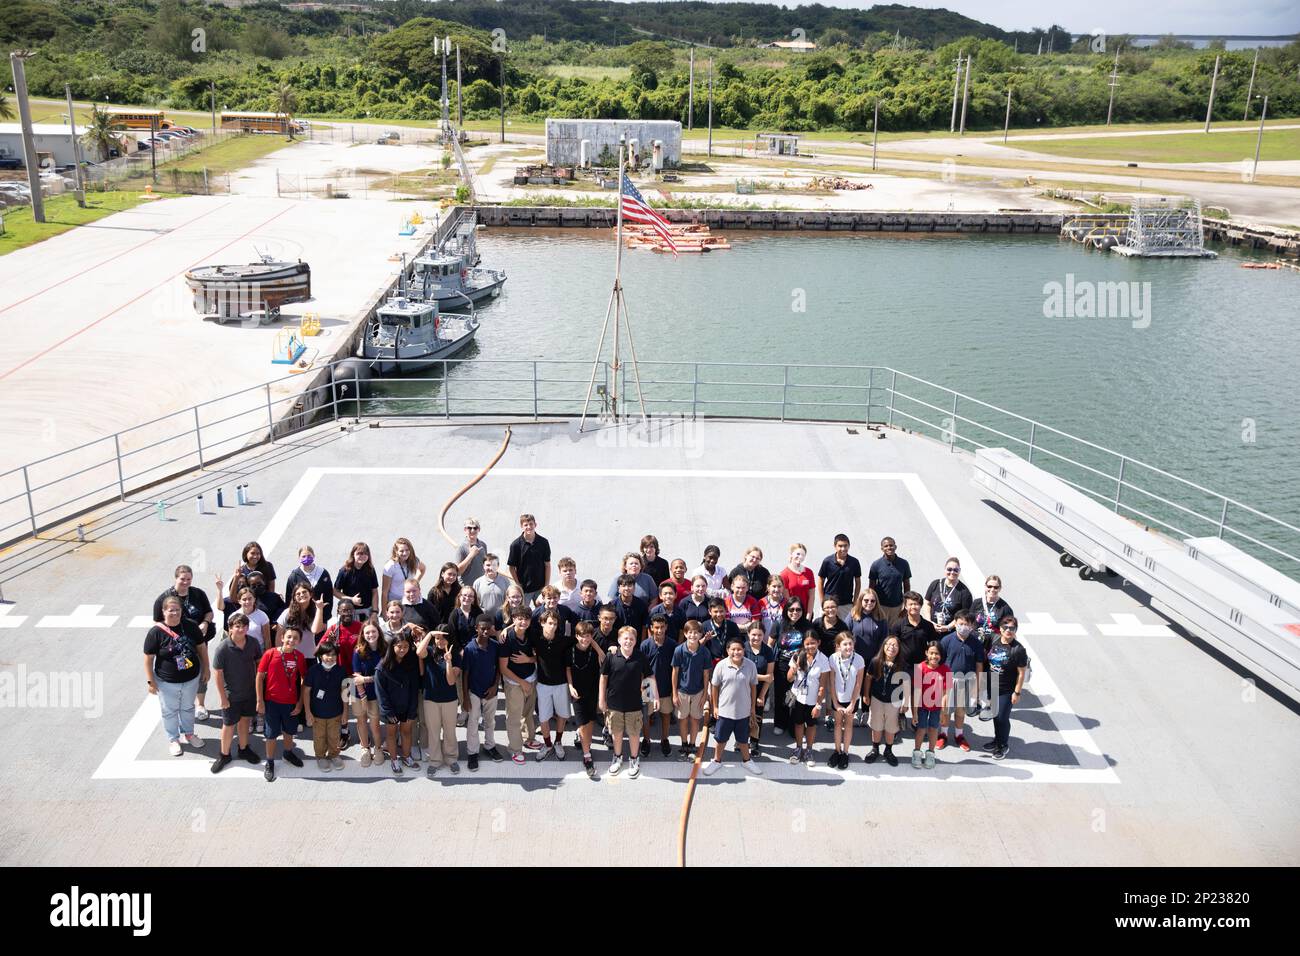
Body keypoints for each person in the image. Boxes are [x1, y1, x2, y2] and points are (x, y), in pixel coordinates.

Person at [144, 595, 209, 757]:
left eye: (178, 610)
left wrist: (206, 669)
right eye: (171, 610)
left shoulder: (190, 626)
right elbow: (148, 658)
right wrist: (151, 681)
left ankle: (189, 733)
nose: (175, 613)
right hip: (167, 681)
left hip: (191, 678)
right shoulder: (156, 632)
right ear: (164, 611)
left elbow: (201, 648)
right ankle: (173, 739)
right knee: (169, 710)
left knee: (188, 707)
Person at [152, 565, 214, 720]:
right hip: (177, 647)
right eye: (182, 579)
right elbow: (157, 623)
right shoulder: (164, 598)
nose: (186, 582)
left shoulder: (198, 594)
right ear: (175, 578)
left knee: (200, 673)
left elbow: (209, 612)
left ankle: (200, 705)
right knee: (181, 676)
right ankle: (181, 707)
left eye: (188, 579)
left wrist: (205, 623)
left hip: (198, 643)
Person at [210, 612, 262, 773]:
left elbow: (258, 663)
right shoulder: (223, 648)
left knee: (245, 721)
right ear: (230, 628)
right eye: (237, 626)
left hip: (249, 692)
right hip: (231, 696)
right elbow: (217, 673)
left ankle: (243, 748)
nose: (241, 629)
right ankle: (224, 754)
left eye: (244, 626)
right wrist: (223, 698)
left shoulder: (252, 643)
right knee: (228, 725)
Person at [702, 637, 762, 776]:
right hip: (725, 711)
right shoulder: (721, 665)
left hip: (743, 711)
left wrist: (752, 707)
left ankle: (747, 761)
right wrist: (715, 707)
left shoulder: (750, 665)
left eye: (739, 649)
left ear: (744, 650)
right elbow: (715, 687)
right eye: (733, 649)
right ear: (728, 650)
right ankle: (716, 761)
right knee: (721, 739)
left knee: (743, 739)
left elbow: (753, 687)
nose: (736, 652)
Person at [600, 626, 652, 778]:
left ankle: (634, 758)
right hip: (614, 704)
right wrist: (601, 699)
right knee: (617, 733)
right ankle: (617, 756)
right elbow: (603, 678)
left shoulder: (640, 657)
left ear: (636, 641)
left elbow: (649, 677)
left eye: (631, 639)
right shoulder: (611, 656)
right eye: (625, 638)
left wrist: (651, 699)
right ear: (619, 640)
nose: (628, 641)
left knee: (634, 733)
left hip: (634, 704)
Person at [256, 626, 306, 782]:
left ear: (299, 641)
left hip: (290, 702)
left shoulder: (299, 657)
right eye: (289, 637)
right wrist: (260, 701)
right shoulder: (270, 654)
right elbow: (259, 677)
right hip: (271, 702)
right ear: (282, 637)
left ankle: (288, 753)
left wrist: (299, 704)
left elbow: (303, 680)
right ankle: (269, 761)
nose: (291, 640)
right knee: (271, 734)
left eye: (295, 638)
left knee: (289, 731)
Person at [416, 627, 462, 776]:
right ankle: (435, 761)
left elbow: (451, 681)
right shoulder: (429, 651)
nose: (440, 641)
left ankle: (451, 759)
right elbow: (418, 652)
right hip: (430, 699)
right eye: (438, 638)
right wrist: (429, 634)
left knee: (449, 731)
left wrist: (449, 662)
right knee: (433, 732)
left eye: (444, 638)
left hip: (449, 700)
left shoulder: (455, 654)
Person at [374, 631, 422, 774]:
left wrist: (412, 709)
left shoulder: (411, 664)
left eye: (406, 647)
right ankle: (394, 760)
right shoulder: (382, 667)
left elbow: (415, 689)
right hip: (391, 709)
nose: (402, 650)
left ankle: (406, 757)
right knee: (391, 734)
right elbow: (381, 693)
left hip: (407, 707)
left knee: (406, 733)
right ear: (392, 647)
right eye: (399, 646)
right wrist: (388, 712)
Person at [938, 609, 984, 752]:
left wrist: (976, 689)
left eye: (966, 624)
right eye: (960, 623)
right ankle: (943, 734)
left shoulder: (976, 643)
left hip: (967, 681)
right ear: (955, 623)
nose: (963, 626)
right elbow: (939, 663)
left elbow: (979, 666)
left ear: (972, 626)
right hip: (948, 680)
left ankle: (959, 736)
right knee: (945, 710)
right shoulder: (946, 640)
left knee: (960, 710)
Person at [531, 609, 574, 761]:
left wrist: (601, 651)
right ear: (542, 623)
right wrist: (505, 630)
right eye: (550, 623)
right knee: (543, 718)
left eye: (555, 624)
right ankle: (548, 744)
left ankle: (558, 742)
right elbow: (518, 626)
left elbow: (584, 638)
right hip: (542, 685)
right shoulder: (536, 638)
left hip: (561, 684)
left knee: (562, 715)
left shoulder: (564, 639)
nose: (553, 626)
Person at [463, 615, 504, 771]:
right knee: (473, 723)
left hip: (491, 692)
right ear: (477, 629)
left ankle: (489, 746)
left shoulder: (495, 646)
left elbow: (498, 668)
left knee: (490, 721)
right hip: (474, 691)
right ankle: (472, 752)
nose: (486, 631)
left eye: (488, 628)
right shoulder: (469, 648)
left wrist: (495, 686)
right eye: (482, 628)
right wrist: (466, 697)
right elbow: (465, 675)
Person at [984, 616, 1028, 760]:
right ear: (1000, 628)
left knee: (1002, 717)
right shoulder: (993, 639)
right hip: (992, 686)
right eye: (1005, 627)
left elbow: (1021, 673)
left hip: (1007, 689)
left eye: (1012, 628)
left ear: (1015, 630)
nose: (1008, 630)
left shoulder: (1018, 649)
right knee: (995, 715)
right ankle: (997, 740)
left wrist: (1017, 692)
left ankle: (1003, 745)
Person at [567, 621, 607, 779]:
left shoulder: (594, 651)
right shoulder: (570, 651)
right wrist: (570, 686)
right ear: (576, 636)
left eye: (588, 636)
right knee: (582, 723)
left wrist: (597, 648)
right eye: (582, 636)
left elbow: (603, 660)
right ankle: (586, 755)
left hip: (592, 691)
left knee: (590, 721)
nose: (585, 639)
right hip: (577, 692)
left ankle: (587, 745)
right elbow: (567, 669)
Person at [499, 608, 539, 764]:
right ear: (513, 619)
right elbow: (503, 668)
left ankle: (528, 739)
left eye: (526, 619)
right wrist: (523, 683)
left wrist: (528, 660)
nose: (523, 622)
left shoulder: (531, 633)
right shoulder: (506, 639)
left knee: (528, 713)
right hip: (514, 683)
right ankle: (515, 749)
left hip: (531, 678)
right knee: (514, 718)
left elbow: (539, 656)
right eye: (520, 618)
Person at [321, 600, 361, 750]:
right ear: (338, 612)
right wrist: (329, 643)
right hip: (342, 676)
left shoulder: (361, 628)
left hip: (357, 675)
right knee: (344, 704)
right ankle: (344, 732)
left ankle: (363, 732)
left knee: (359, 707)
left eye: (350, 610)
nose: (347, 613)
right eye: (344, 610)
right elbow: (319, 650)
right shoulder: (333, 629)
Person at [787, 633, 831, 767]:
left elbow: (823, 685)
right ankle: (798, 748)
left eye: (813, 643)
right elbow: (789, 678)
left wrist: (818, 706)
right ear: (803, 644)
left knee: (811, 725)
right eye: (807, 644)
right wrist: (794, 670)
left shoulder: (823, 659)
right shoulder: (797, 656)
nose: (810, 646)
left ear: (818, 642)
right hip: (798, 697)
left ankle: (809, 750)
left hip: (813, 699)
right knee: (799, 723)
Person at [771, 599, 813, 736]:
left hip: (802, 667)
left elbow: (811, 646)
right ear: (786, 610)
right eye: (791, 609)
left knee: (797, 697)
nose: (795, 612)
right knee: (781, 696)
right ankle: (780, 723)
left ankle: (794, 725)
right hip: (782, 665)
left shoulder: (807, 626)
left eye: (798, 609)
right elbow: (770, 644)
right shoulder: (779, 624)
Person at [303, 641, 347, 772]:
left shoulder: (341, 671)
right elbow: (306, 692)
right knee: (319, 736)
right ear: (321, 655)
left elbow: (345, 693)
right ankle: (320, 757)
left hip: (336, 712)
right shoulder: (313, 671)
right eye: (327, 654)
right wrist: (307, 712)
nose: (330, 657)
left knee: (334, 736)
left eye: (333, 655)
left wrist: (345, 712)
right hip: (317, 713)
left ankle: (334, 754)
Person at [639, 614, 677, 758]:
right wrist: (641, 687)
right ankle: (646, 740)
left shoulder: (672, 644)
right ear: (651, 628)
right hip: (648, 686)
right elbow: (641, 668)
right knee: (647, 716)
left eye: (662, 627)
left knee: (666, 714)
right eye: (656, 627)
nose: (659, 630)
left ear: (666, 627)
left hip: (666, 686)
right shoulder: (645, 645)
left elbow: (675, 669)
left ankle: (665, 739)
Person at [865, 636, 906, 766]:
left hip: (894, 702)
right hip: (877, 699)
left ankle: (888, 750)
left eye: (895, 645)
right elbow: (868, 679)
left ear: (899, 649)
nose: (891, 647)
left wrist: (906, 701)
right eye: (888, 644)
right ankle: (875, 748)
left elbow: (906, 684)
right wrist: (866, 695)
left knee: (891, 728)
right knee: (876, 726)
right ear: (883, 646)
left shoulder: (902, 665)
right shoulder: (875, 661)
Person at [350, 621, 386, 767]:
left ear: (378, 632)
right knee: (361, 722)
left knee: (375, 724)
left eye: (373, 632)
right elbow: (356, 676)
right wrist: (362, 695)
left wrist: (366, 679)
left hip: (376, 694)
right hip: (359, 694)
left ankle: (378, 748)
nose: (371, 635)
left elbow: (383, 675)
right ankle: (365, 748)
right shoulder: (358, 651)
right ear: (363, 635)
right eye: (367, 633)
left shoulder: (385, 650)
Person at [829, 633, 866, 769]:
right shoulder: (833, 658)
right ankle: (837, 751)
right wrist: (835, 702)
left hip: (852, 699)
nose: (848, 646)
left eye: (850, 643)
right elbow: (832, 682)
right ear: (838, 646)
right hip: (838, 698)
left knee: (848, 725)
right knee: (838, 724)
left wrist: (852, 703)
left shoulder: (859, 659)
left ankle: (845, 752)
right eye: (845, 644)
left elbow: (858, 683)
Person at [912, 641, 951, 770]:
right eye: (932, 653)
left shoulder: (946, 669)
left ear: (941, 655)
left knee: (934, 729)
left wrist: (943, 712)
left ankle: (930, 753)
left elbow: (946, 693)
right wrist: (914, 712)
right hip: (922, 705)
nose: (934, 656)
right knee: (921, 729)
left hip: (937, 707)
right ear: (926, 653)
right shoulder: (919, 668)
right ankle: (917, 753)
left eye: (937, 654)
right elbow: (916, 692)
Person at [742, 620, 775, 757]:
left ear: (764, 635)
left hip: (761, 689)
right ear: (748, 634)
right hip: (743, 688)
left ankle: (754, 741)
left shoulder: (768, 651)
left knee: (758, 715)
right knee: (742, 715)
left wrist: (762, 695)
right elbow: (743, 673)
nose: (756, 638)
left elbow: (770, 676)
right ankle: (741, 740)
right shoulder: (742, 648)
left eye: (759, 635)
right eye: (753, 634)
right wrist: (762, 677)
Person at [282, 545, 333, 626]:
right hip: (301, 618)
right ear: (299, 558)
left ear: (314, 556)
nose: (306, 558)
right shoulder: (294, 576)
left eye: (309, 556)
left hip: (319, 617)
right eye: (303, 556)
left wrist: (325, 619)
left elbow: (329, 596)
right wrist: (292, 618)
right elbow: (289, 599)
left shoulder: (323, 573)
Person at [507, 513, 551, 606]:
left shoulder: (543, 542)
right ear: (521, 526)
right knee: (523, 614)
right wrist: (518, 584)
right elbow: (511, 567)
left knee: (542, 614)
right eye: (525, 525)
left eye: (531, 524)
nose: (529, 527)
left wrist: (546, 585)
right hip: (524, 589)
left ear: (535, 525)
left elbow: (547, 565)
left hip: (540, 587)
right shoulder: (516, 545)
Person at [868, 536, 912, 627]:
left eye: (891, 545)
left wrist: (906, 606)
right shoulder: (876, 565)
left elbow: (906, 585)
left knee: (894, 632)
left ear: (895, 547)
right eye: (886, 546)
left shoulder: (904, 563)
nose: (889, 548)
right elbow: (871, 587)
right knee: (880, 631)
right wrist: (873, 606)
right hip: (881, 606)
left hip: (897, 606)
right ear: (882, 548)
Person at [818, 534, 861, 621]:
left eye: (845, 546)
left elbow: (858, 582)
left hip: (846, 603)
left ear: (849, 546)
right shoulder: (827, 561)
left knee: (845, 630)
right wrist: (823, 601)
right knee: (825, 628)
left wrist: (855, 602)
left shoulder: (854, 562)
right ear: (835, 546)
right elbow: (820, 581)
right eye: (840, 546)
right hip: (829, 603)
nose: (843, 549)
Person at [924, 557, 972, 636]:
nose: (952, 572)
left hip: (950, 633)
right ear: (945, 570)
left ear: (959, 571)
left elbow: (963, 615)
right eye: (949, 569)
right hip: (932, 628)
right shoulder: (935, 584)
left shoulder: (964, 592)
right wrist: (929, 621)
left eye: (955, 570)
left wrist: (948, 627)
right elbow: (927, 603)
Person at [276, 585, 326, 659]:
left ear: (310, 594)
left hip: (309, 657)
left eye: (304, 592)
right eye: (298, 594)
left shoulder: (317, 612)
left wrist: (319, 609)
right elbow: (279, 636)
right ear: (294, 598)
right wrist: (279, 655)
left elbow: (315, 630)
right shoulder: (287, 613)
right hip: (290, 656)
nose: (301, 595)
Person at [334, 541, 378, 620]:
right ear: (353, 555)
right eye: (359, 553)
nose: (362, 556)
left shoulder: (370, 570)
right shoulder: (344, 570)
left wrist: (375, 611)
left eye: (365, 554)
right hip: (349, 613)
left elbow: (375, 591)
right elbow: (335, 591)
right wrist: (350, 599)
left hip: (368, 612)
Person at [382, 537, 426, 606]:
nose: (405, 553)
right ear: (396, 551)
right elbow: (384, 592)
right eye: (401, 551)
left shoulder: (414, 561)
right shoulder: (390, 566)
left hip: (409, 601)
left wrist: (415, 582)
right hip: (394, 603)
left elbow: (422, 569)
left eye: (407, 550)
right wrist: (384, 613)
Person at [779, 544, 817, 619]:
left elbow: (812, 596)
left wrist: (808, 615)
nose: (800, 557)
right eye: (798, 554)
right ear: (791, 554)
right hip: (793, 614)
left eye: (803, 555)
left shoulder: (809, 572)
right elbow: (786, 598)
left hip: (806, 613)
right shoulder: (784, 574)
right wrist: (792, 615)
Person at [702, 598, 741, 665]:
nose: (719, 614)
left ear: (725, 611)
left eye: (721, 611)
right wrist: (705, 639)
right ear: (709, 612)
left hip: (729, 661)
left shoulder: (732, 625)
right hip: (710, 662)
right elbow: (697, 646)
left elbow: (739, 644)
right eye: (716, 611)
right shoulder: (704, 625)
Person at [471, 553, 509, 618]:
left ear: (498, 566)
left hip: (501, 618)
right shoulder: (478, 583)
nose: (491, 568)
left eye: (494, 565)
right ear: (483, 566)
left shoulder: (505, 581)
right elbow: (474, 602)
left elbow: (508, 601)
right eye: (488, 565)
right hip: (483, 618)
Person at [454, 518, 488, 585]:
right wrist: (471, 555)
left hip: (480, 586)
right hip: (466, 587)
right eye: (469, 528)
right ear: (465, 530)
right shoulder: (461, 547)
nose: (472, 530)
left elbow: (485, 565)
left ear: (479, 529)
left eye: (475, 528)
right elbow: (457, 572)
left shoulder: (483, 545)